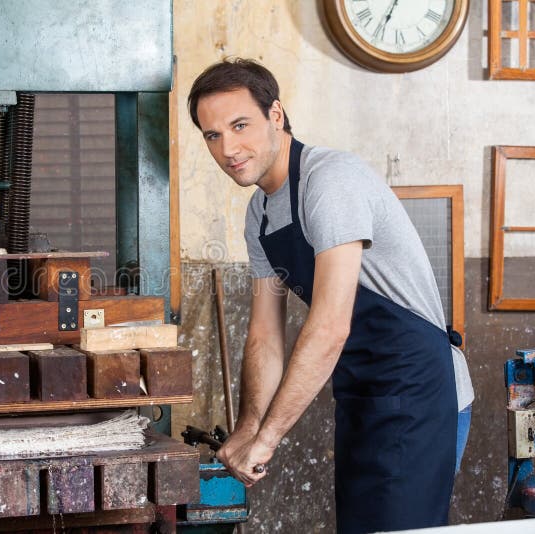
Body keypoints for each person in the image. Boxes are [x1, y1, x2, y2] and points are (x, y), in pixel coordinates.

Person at [187, 58, 474, 533]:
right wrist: (247, 428)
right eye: (212, 135)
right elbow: (264, 336)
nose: (228, 148)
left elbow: (330, 324)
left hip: (421, 390)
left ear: (275, 114)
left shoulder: (329, 180)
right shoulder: (259, 215)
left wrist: (269, 439)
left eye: (240, 125)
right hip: (362, 396)